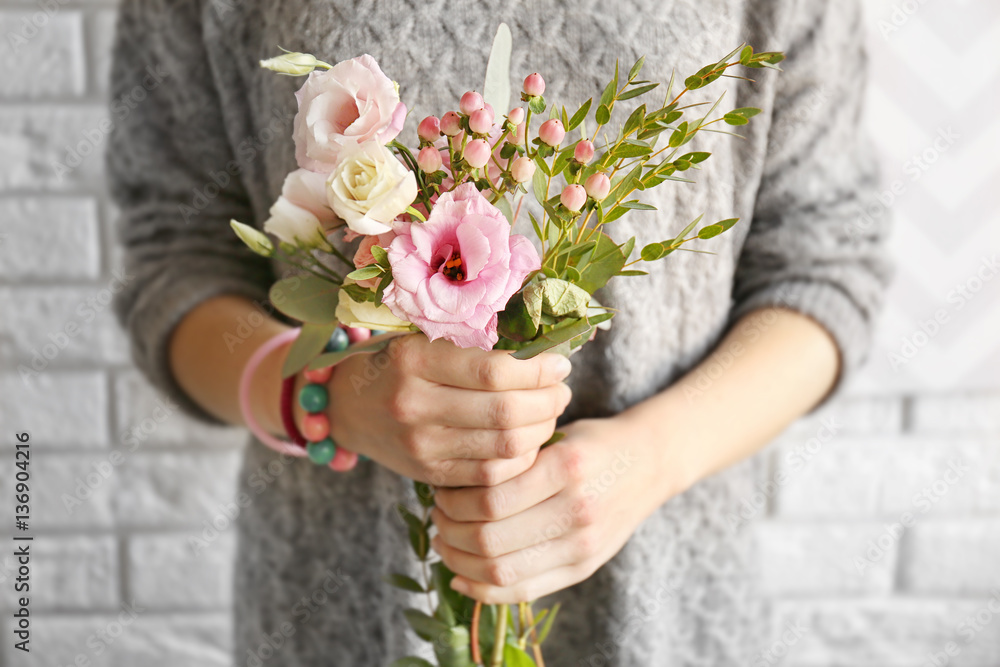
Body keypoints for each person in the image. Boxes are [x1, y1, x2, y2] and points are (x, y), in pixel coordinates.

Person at [108, 0, 890, 664]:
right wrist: (328, 396)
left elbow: (823, 263)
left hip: (669, 607)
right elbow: (177, 258)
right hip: (340, 608)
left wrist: (650, 459)